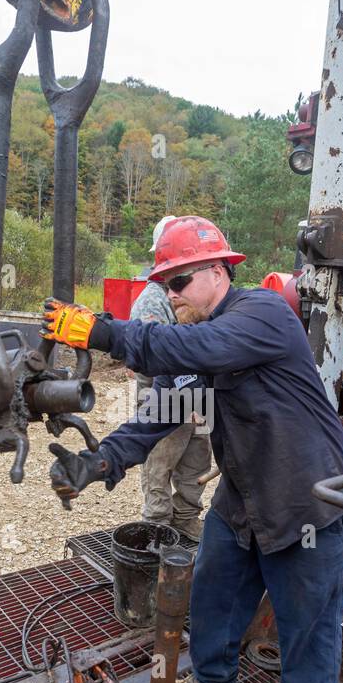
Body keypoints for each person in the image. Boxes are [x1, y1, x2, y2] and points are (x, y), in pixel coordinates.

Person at [41, 215, 343, 683]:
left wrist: (97, 332)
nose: (173, 295)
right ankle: (214, 682)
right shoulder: (203, 343)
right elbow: (157, 415)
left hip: (304, 509)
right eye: (167, 284)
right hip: (241, 505)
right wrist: (100, 461)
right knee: (211, 602)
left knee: (307, 637)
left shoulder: (262, 315)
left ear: (216, 272)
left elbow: (187, 349)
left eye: (179, 282)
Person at [129, 215, 211, 539]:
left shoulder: (193, 293)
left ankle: (186, 519)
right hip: (164, 392)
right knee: (160, 458)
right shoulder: (152, 298)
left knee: (196, 459)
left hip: (197, 391)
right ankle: (158, 525)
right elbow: (154, 357)